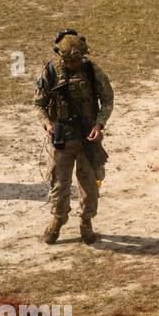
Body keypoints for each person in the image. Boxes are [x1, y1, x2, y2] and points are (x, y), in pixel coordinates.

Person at [34, 30, 114, 245]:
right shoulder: (50, 72)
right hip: (61, 138)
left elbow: (107, 101)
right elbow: (39, 104)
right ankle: (58, 221)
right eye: (69, 61)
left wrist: (99, 124)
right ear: (62, 58)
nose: (74, 64)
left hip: (88, 137)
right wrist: (47, 123)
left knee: (90, 185)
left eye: (77, 59)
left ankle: (86, 222)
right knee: (59, 185)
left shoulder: (92, 71)